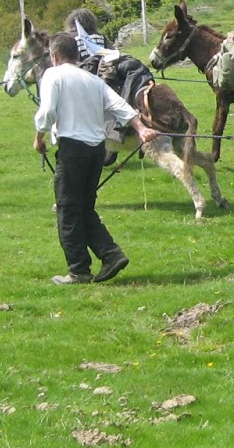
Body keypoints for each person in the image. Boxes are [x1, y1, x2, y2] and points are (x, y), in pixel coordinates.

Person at [32, 31, 156, 285]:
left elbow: (47, 112)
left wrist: (39, 137)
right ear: (77, 55)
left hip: (73, 149)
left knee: (68, 209)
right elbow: (119, 105)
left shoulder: (53, 75)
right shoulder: (92, 79)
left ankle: (79, 270)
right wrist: (141, 129)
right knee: (83, 207)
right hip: (97, 151)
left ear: (54, 56)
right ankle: (111, 254)